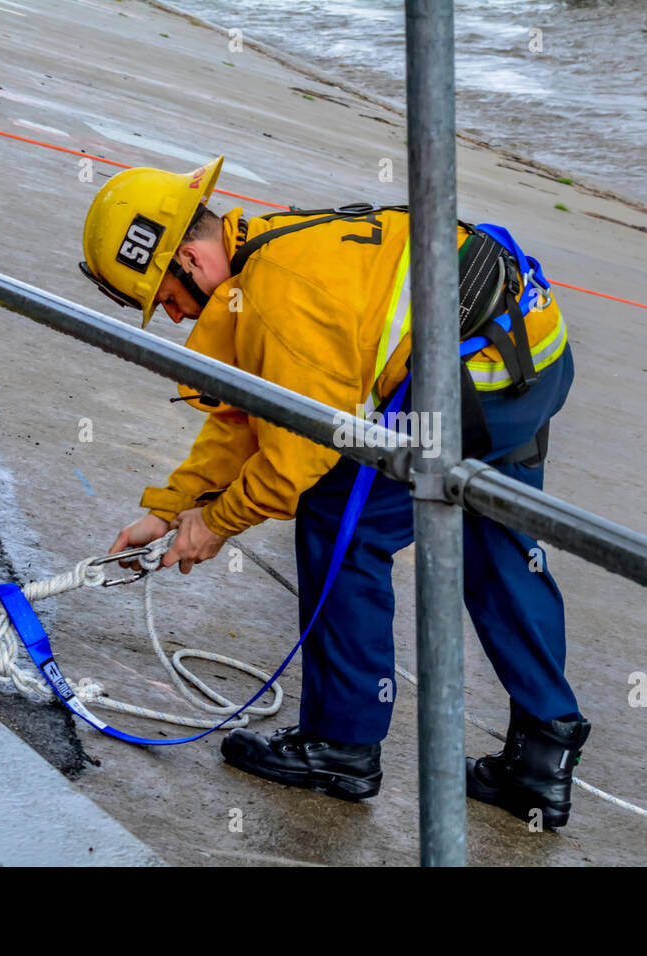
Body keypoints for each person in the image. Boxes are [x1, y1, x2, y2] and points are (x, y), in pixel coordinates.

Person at [81, 156, 590, 828]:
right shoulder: (268, 243)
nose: (175, 318)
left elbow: (295, 458)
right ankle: (542, 757)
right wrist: (171, 508)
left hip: (474, 383)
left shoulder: (274, 295)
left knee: (338, 520)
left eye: (169, 299)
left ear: (194, 259)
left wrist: (215, 524)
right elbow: (248, 415)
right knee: (498, 544)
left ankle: (339, 745)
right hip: (530, 352)